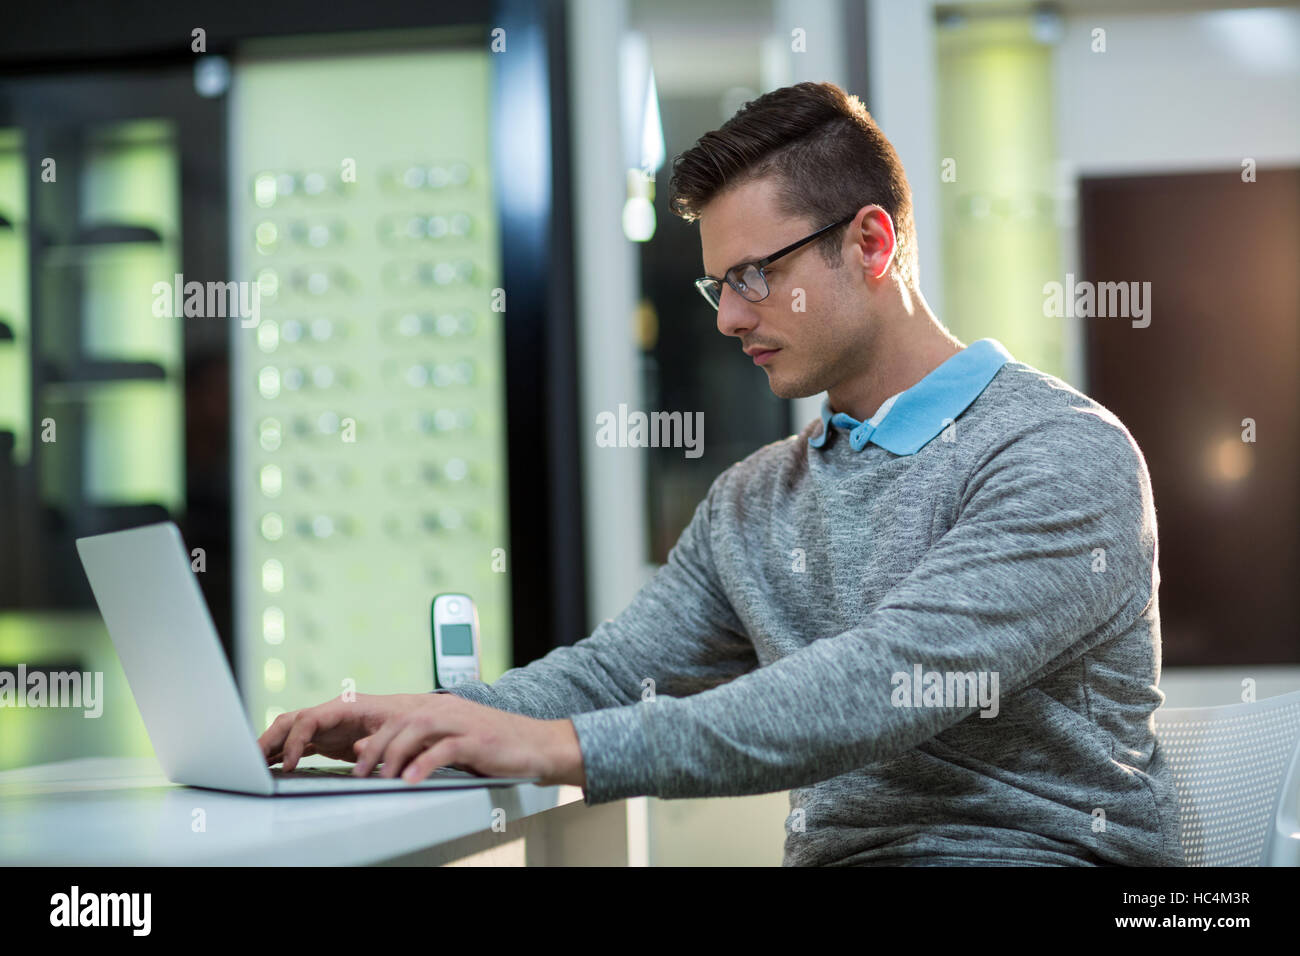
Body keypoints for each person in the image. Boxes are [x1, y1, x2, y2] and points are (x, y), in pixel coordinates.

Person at [259, 81, 1184, 867]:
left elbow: (882, 683)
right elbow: (618, 672)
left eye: (753, 276)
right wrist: (428, 717)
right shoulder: (757, 499)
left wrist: (558, 750)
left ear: (871, 243)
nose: (728, 320)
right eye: (717, 286)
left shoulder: (1059, 452)